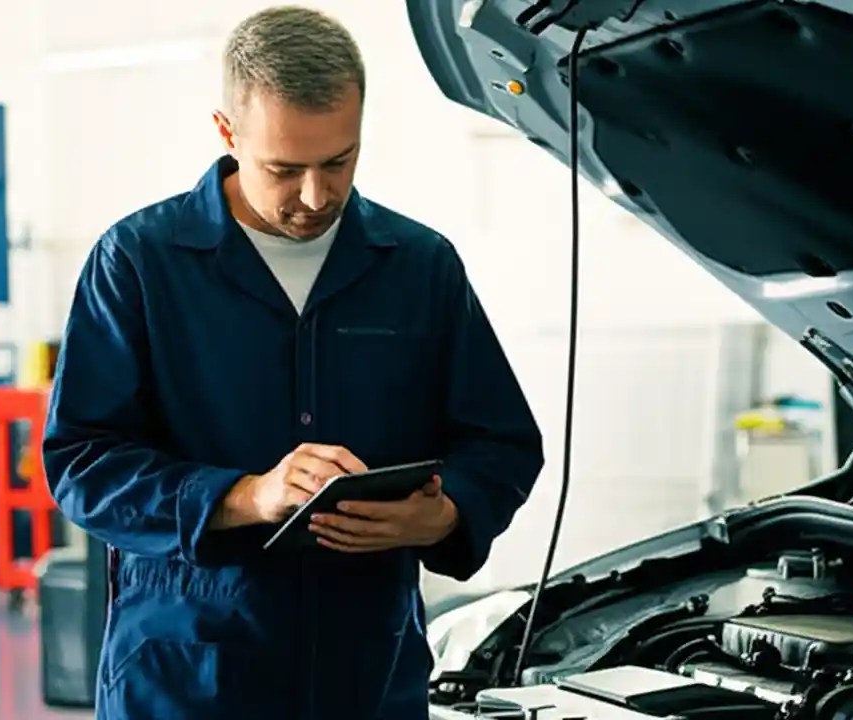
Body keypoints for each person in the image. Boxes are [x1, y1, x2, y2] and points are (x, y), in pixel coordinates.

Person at [43, 5, 544, 719]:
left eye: (338, 161)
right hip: (188, 679)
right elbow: (82, 463)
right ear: (227, 132)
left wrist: (444, 517)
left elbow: (501, 441)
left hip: (366, 673)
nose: (315, 197)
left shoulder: (420, 267)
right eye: (284, 169)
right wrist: (248, 496)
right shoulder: (138, 263)